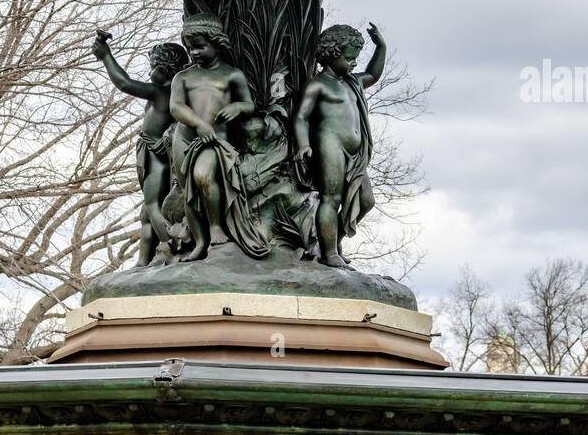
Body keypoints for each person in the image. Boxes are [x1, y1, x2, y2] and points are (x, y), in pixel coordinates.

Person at [169, 13, 270, 261]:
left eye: (201, 46)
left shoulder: (231, 75)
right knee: (188, 192)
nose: (195, 53)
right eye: (190, 48)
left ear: (217, 43)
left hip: (215, 141)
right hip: (185, 138)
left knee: (202, 176)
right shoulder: (183, 77)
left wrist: (237, 108)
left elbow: (249, 104)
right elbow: (176, 107)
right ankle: (200, 243)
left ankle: (216, 227)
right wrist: (199, 124)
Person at [293, 22, 386, 267]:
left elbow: (374, 75)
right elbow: (301, 117)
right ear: (332, 55)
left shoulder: (352, 82)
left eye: (355, 59)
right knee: (331, 198)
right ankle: (329, 253)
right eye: (349, 58)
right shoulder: (319, 84)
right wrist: (303, 145)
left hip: (356, 154)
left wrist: (381, 47)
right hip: (330, 145)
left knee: (366, 201)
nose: (354, 63)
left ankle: (333, 239)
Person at [92, 32, 187, 266]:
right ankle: (143, 262)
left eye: (153, 67)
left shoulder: (161, 92)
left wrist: (106, 56)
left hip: (155, 156)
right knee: (147, 210)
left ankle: (175, 248)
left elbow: (124, 83)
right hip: (153, 152)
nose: (149, 72)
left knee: (153, 205)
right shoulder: (173, 93)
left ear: (165, 70)